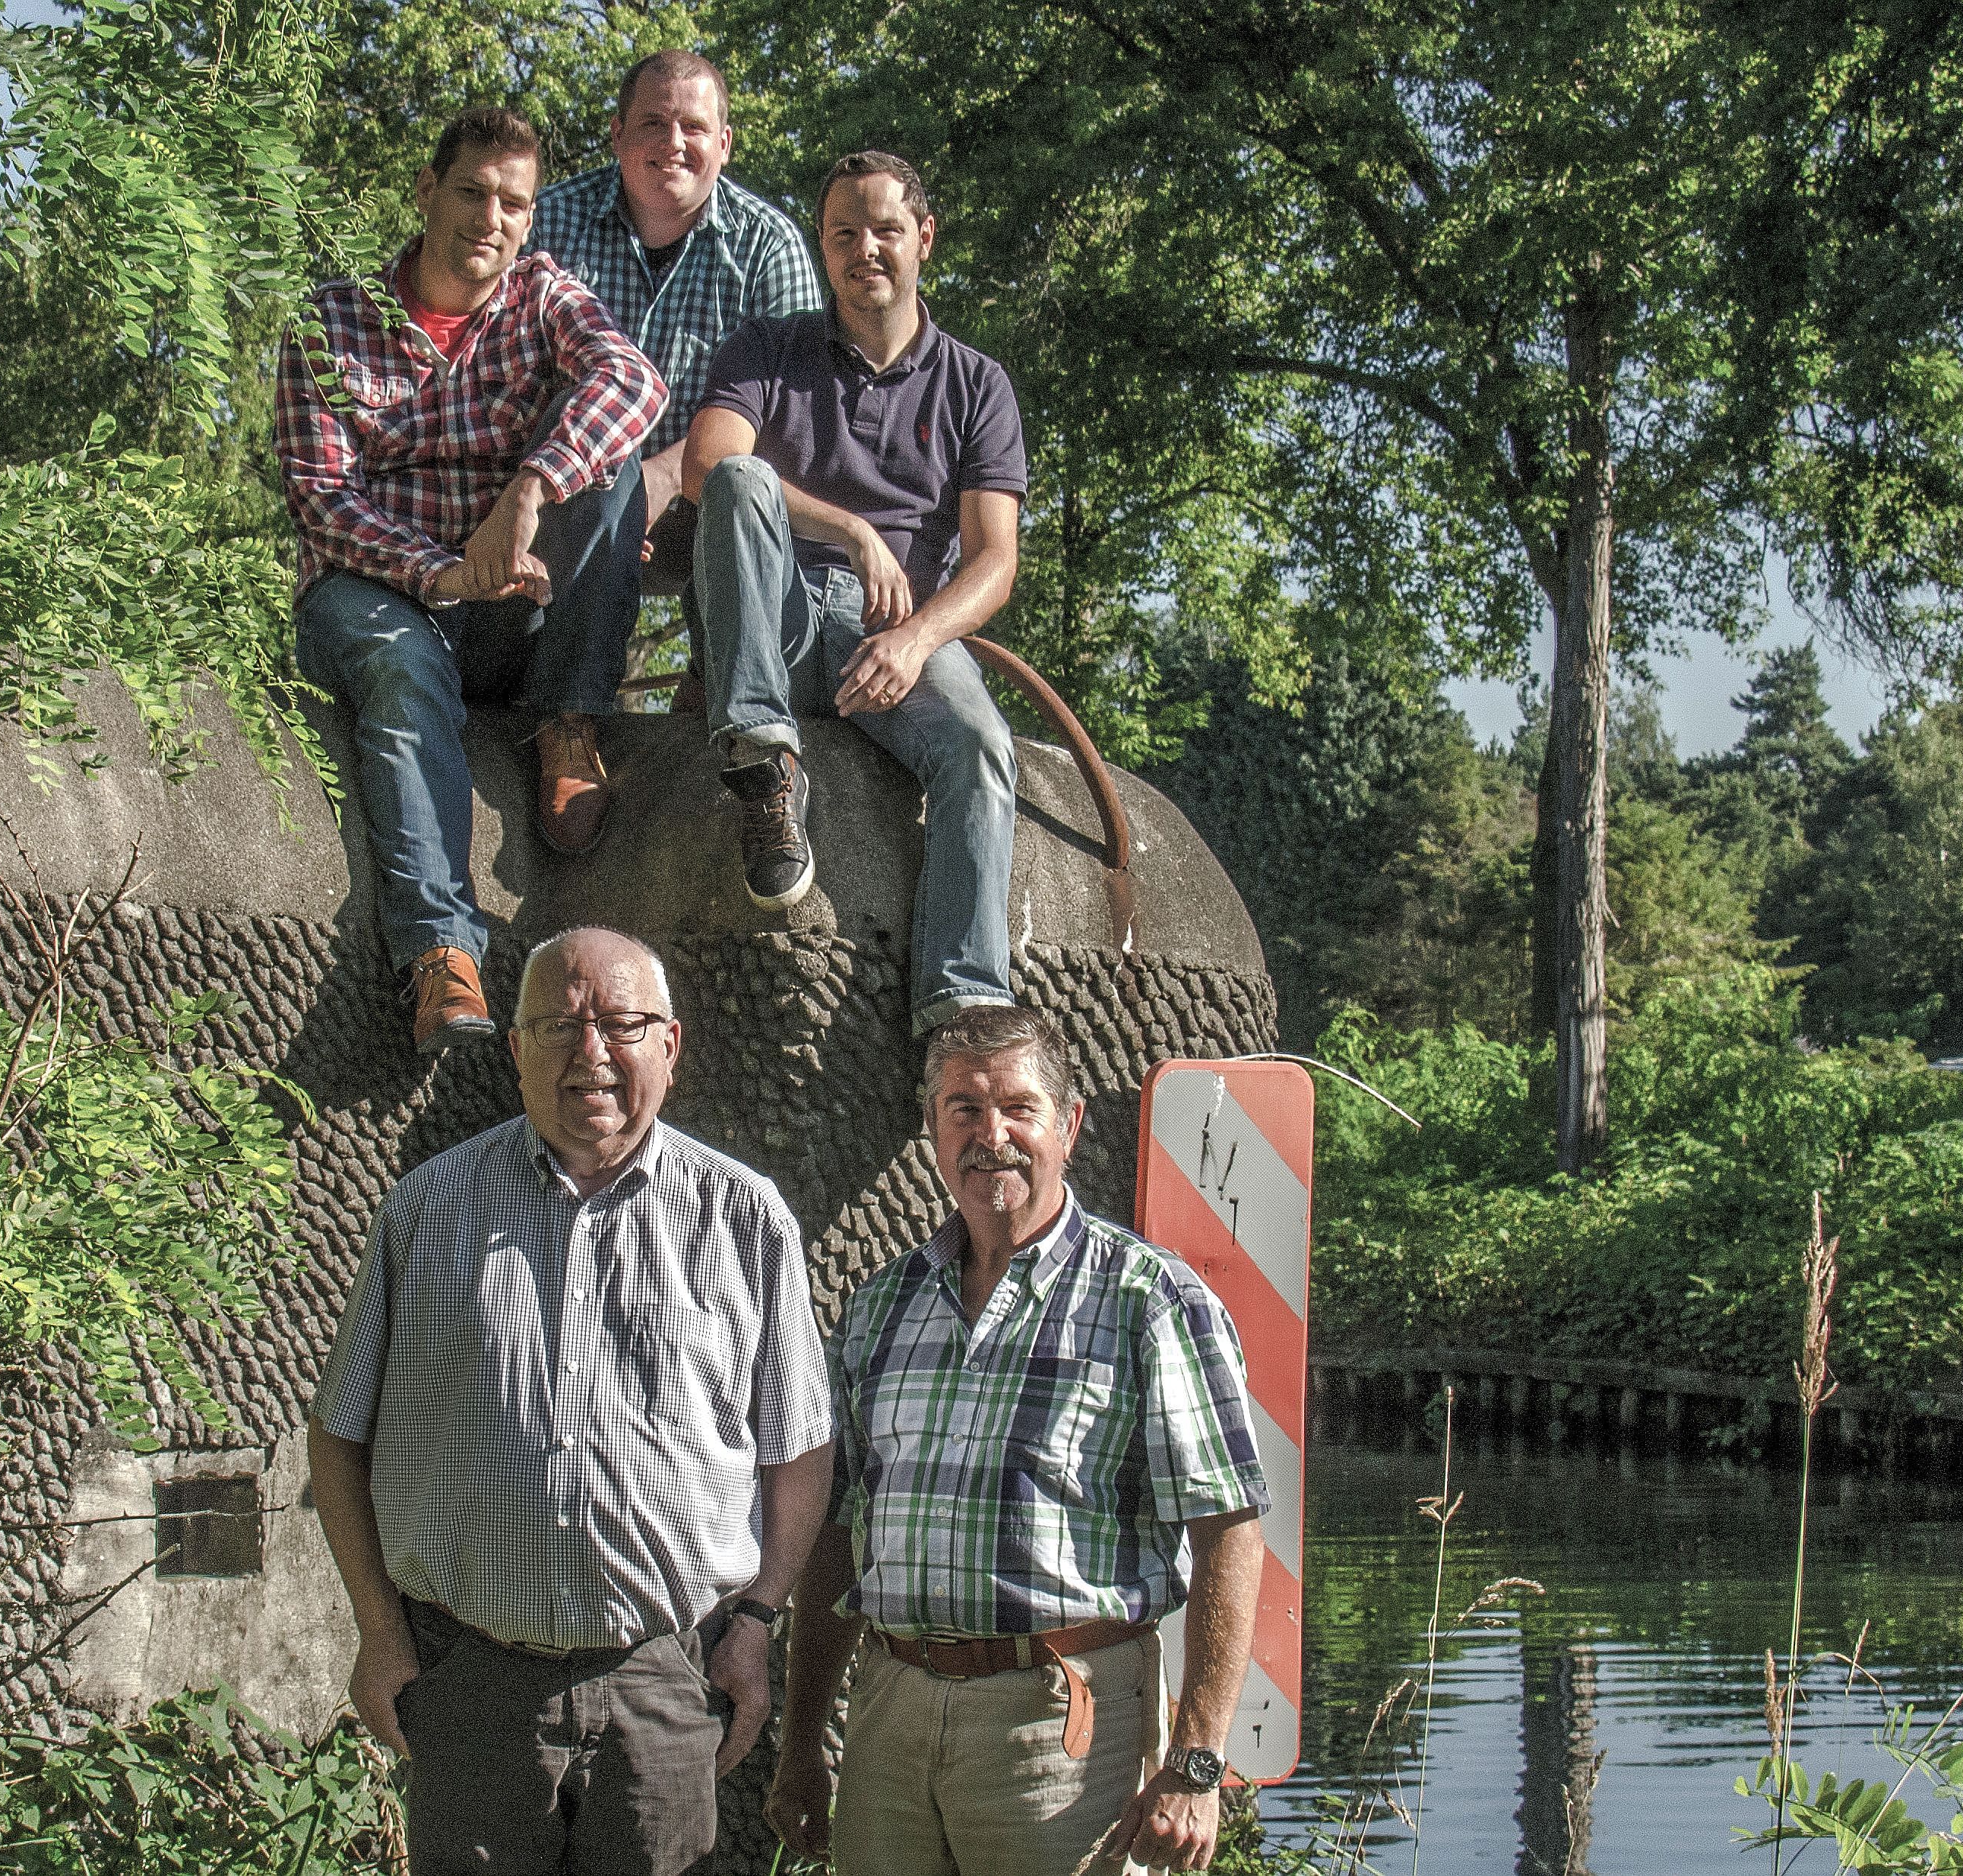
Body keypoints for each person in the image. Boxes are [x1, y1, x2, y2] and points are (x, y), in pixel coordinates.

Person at [306, 927, 834, 1874]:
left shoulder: (744, 1217)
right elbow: (339, 1435)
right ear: (516, 1051)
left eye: (622, 1024)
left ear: (669, 1046)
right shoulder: (427, 1209)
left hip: (665, 1681)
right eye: (559, 1024)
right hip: (470, 1683)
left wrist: (755, 1623)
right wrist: (380, 1632)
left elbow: (798, 1450)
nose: (592, 1051)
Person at [767, 1006, 1270, 1874]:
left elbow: (1229, 1532)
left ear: (1067, 1126)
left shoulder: (1149, 1302)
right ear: (931, 1130)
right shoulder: (880, 1308)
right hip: (891, 1712)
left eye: (1017, 1108)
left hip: (1063, 1727)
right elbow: (838, 1537)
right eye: (961, 1108)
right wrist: (802, 1740)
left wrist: (1194, 1763)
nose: (988, 1135)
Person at [277, 109, 666, 1055]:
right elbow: (323, 500)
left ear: (532, 218)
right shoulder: (331, 321)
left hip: (509, 606)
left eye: (514, 202)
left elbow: (634, 380)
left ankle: (566, 721)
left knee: (608, 472)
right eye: (473, 191)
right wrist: (440, 568)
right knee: (398, 662)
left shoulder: (543, 297)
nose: (492, 217)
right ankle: (441, 950)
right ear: (426, 192)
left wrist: (530, 488)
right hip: (377, 594)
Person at [682, 151, 1024, 1036]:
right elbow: (707, 464)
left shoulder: (976, 384)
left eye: (885, 230)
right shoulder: (768, 348)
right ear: (823, 247)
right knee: (743, 480)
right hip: (774, 613)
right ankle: (764, 770)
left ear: (925, 240)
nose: (863, 248)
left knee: (982, 747)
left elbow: (993, 561)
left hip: (894, 634)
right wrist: (852, 528)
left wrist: (915, 639)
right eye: (843, 234)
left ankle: (963, 1008)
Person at [526, 49, 822, 610]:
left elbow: (791, 416)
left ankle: (718, 676)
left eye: (694, 127)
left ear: (725, 144)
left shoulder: (768, 246)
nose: (674, 143)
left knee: (758, 476)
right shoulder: (546, 221)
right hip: (557, 494)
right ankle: (557, 688)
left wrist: (664, 477)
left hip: (702, 509)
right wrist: (603, 482)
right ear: (617, 135)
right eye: (653, 124)